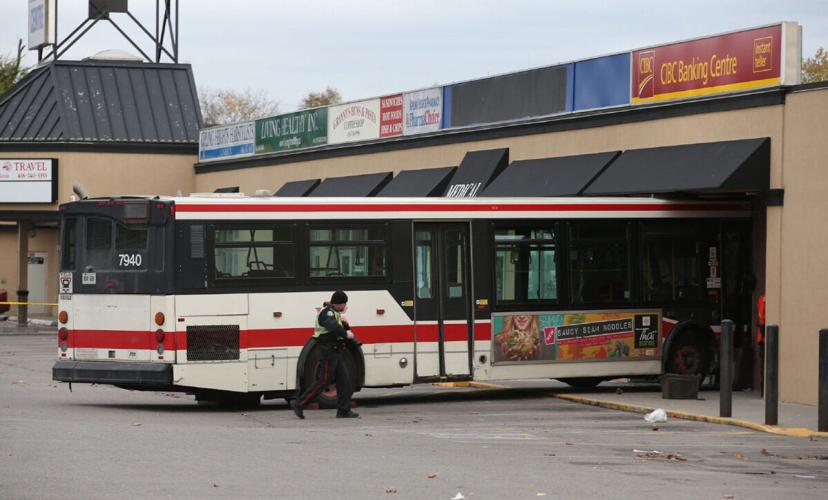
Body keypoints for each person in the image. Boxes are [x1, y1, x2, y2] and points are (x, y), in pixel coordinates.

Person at [291, 290, 360, 419]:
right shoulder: (327, 313)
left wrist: (345, 323)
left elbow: (339, 327)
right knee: (323, 381)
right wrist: (345, 334)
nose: (345, 307)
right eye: (344, 304)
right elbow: (333, 327)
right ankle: (299, 403)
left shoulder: (334, 313)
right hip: (327, 351)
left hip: (335, 351)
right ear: (339, 304)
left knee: (344, 380)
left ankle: (343, 410)